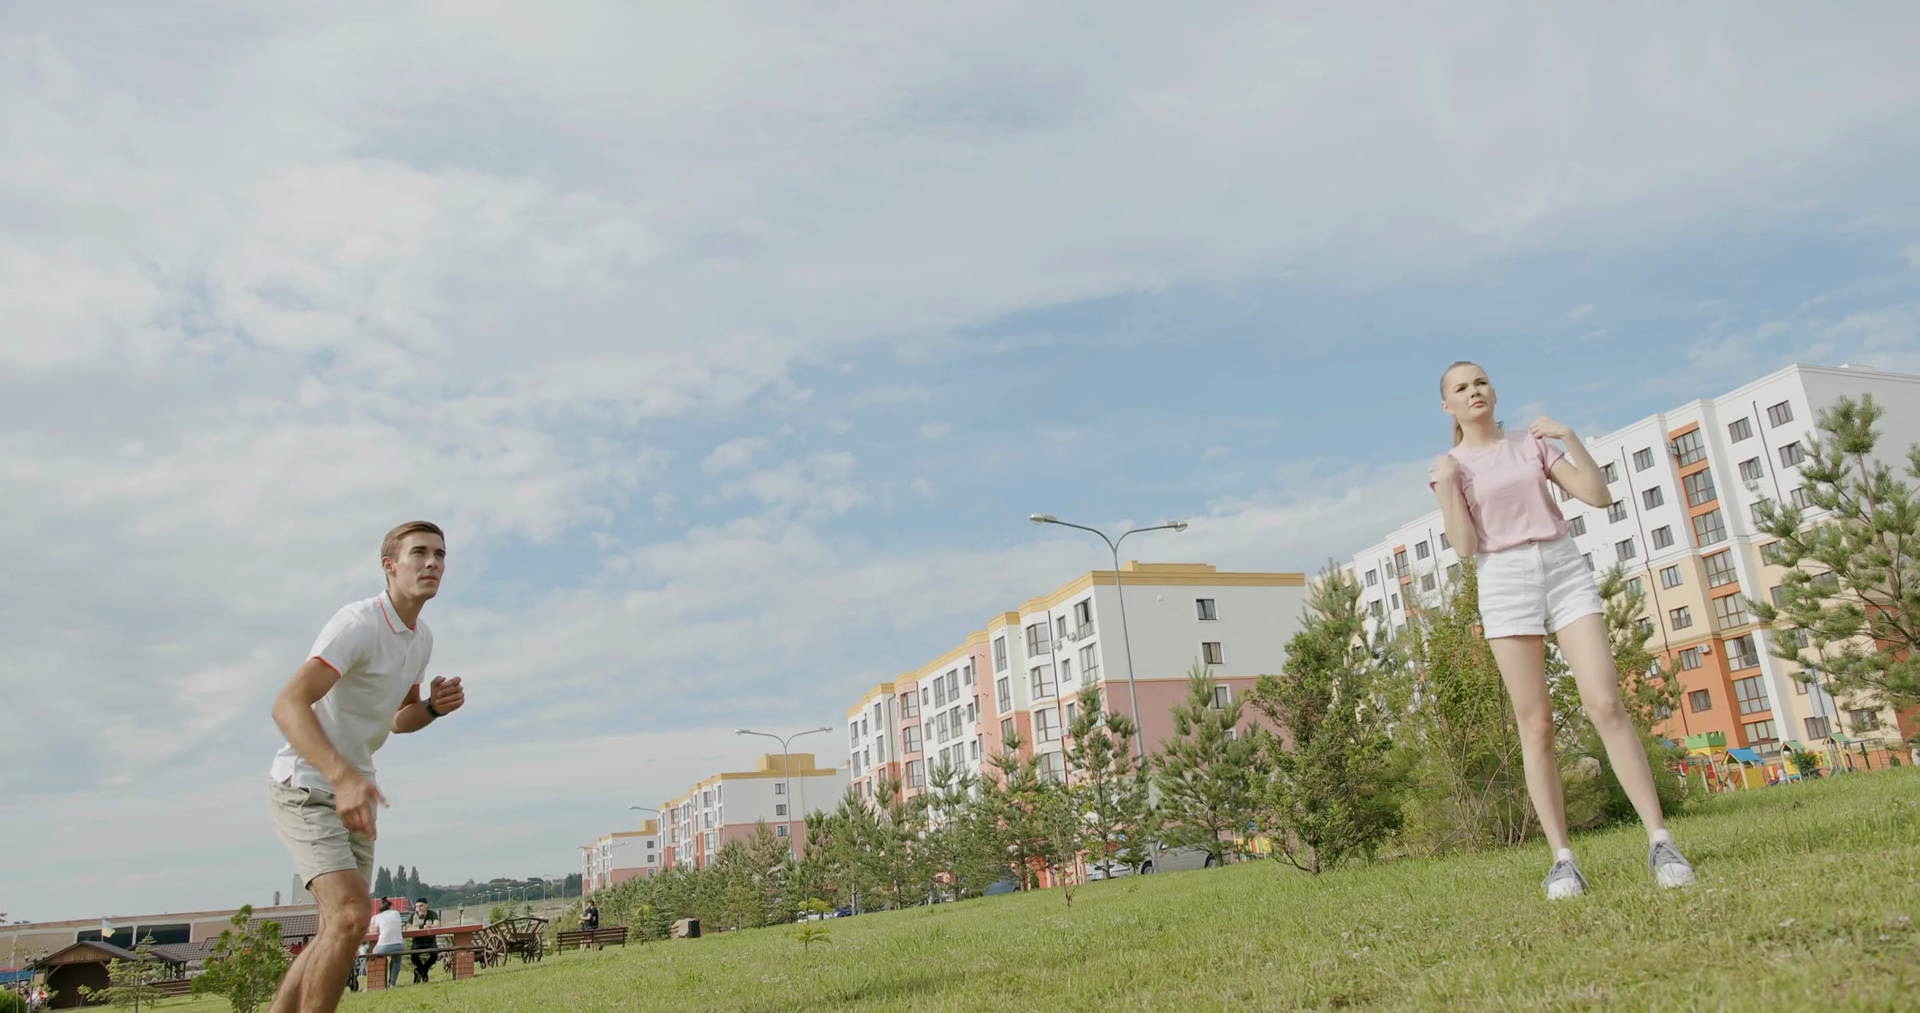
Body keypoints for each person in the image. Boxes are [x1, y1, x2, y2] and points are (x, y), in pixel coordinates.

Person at [1430, 361, 1696, 900]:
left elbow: (1598, 496)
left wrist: (1570, 438)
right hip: (1504, 580)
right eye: (1461, 387)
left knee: (1605, 703)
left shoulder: (1531, 444)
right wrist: (1449, 485)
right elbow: (1463, 546)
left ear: (1493, 391)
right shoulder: (1450, 468)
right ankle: (1563, 861)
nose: (1474, 391)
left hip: (1561, 566)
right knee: (1537, 725)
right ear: (1448, 406)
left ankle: (1661, 842)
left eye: (1480, 382)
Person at [265, 521, 466, 1012]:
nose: (432, 562)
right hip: (306, 785)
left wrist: (432, 707)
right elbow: (287, 704)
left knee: (338, 928)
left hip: (356, 792)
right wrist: (342, 777)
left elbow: (399, 718)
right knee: (352, 916)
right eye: (419, 552)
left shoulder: (420, 639)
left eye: (440, 554)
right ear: (389, 566)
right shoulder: (357, 623)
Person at [368, 899, 408, 989]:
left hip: (383, 946)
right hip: (399, 945)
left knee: (372, 953)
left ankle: (378, 982)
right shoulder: (396, 913)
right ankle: (392, 983)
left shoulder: (376, 917)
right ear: (391, 906)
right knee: (396, 960)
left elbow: (373, 931)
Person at [409, 897, 440, 983]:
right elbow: (408, 927)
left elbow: (437, 925)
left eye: (421, 906)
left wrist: (430, 926)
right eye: (417, 906)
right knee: (414, 957)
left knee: (434, 955)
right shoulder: (413, 915)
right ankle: (422, 971)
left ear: (426, 906)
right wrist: (417, 928)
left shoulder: (432, 914)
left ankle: (423, 970)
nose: (418, 908)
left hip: (430, 940)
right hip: (417, 941)